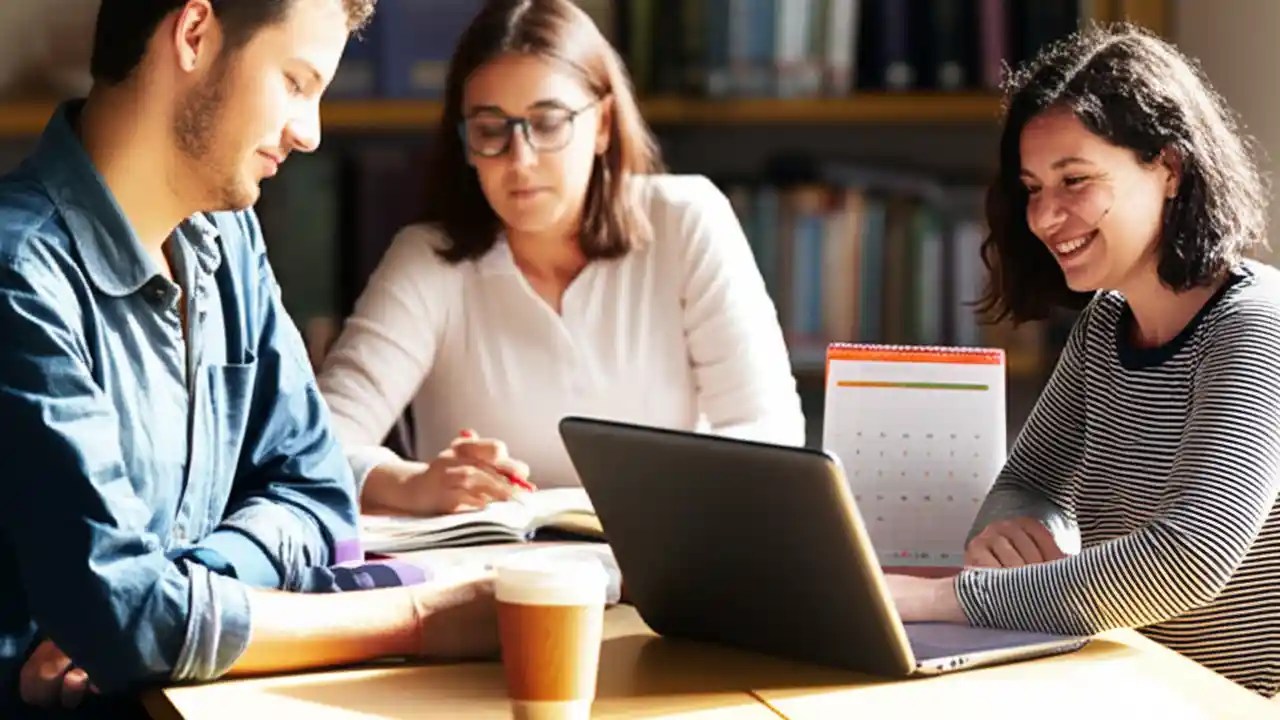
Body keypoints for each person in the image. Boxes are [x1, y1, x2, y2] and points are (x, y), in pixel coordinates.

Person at [0, 1, 513, 715]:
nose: (310, 133)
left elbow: (321, 497)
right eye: (297, 84)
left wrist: (186, 586)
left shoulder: (226, 241)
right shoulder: (20, 274)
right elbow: (127, 614)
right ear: (194, 34)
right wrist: (421, 621)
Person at [883, 25, 1280, 698]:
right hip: (1130, 682)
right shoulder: (1106, 324)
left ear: (1170, 169)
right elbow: (1029, 483)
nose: (1045, 216)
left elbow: (1191, 556)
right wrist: (1020, 528)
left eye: (1076, 180)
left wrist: (940, 600)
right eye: (1033, 187)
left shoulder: (1257, 328)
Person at [316, 0, 806, 517]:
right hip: (487, 577)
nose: (520, 160)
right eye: (489, 129)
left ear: (602, 125)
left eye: (548, 123)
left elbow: (770, 437)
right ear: (464, 142)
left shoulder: (685, 221)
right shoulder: (429, 260)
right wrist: (412, 483)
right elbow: (315, 446)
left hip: (660, 568)